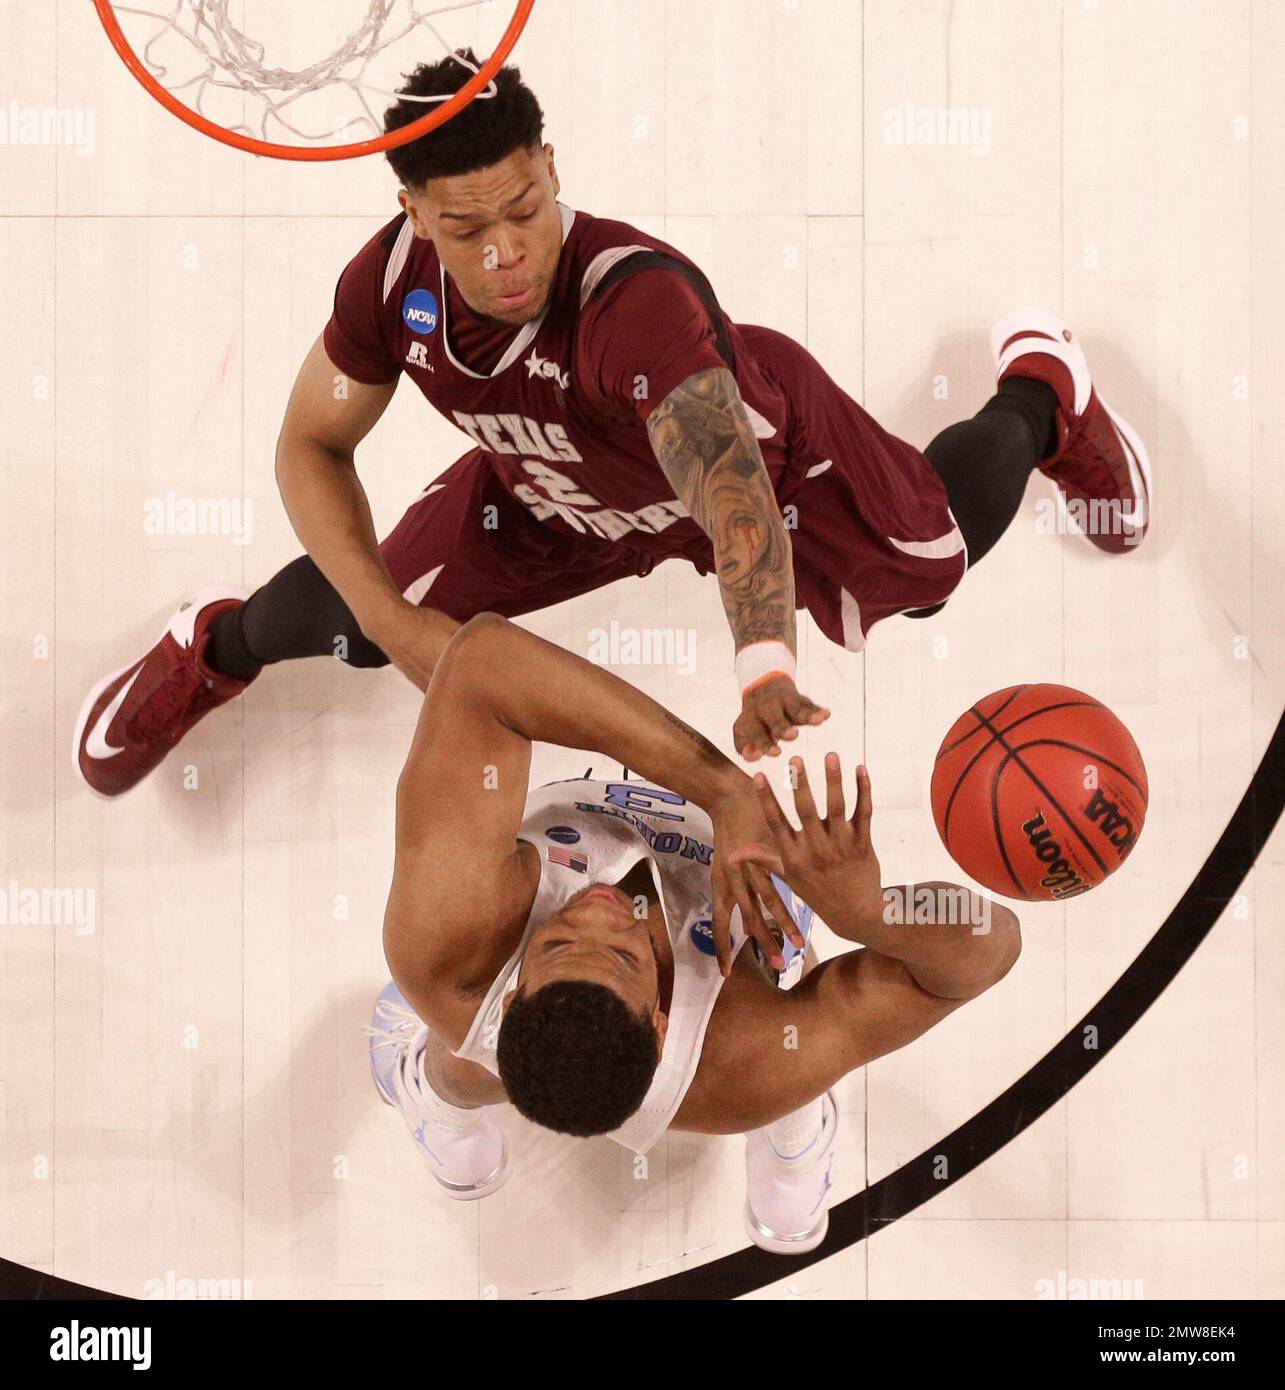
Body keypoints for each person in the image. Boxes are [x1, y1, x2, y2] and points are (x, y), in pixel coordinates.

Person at [73, 48, 1149, 798]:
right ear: (411, 213)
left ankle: (1044, 398)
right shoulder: (391, 281)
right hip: (548, 491)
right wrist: (399, 628)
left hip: (752, 460)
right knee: (361, 621)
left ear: (551, 171)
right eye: (464, 227)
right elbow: (311, 445)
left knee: (928, 565)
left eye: (523, 209)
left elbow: (733, 504)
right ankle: (206, 647)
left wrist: (762, 662)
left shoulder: (637, 309)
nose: (503, 252)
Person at [364, 612, 1020, 1252]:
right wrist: (872, 915)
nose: (596, 911)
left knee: (467, 1042)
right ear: (657, 1021)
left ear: (514, 998)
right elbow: (989, 950)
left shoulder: (448, 945)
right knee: (790, 1050)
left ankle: (433, 1088)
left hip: (595, 827)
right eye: (623, 953)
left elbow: (484, 659)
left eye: (560, 943)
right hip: (737, 1010)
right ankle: (793, 1133)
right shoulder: (742, 1065)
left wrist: (724, 792)